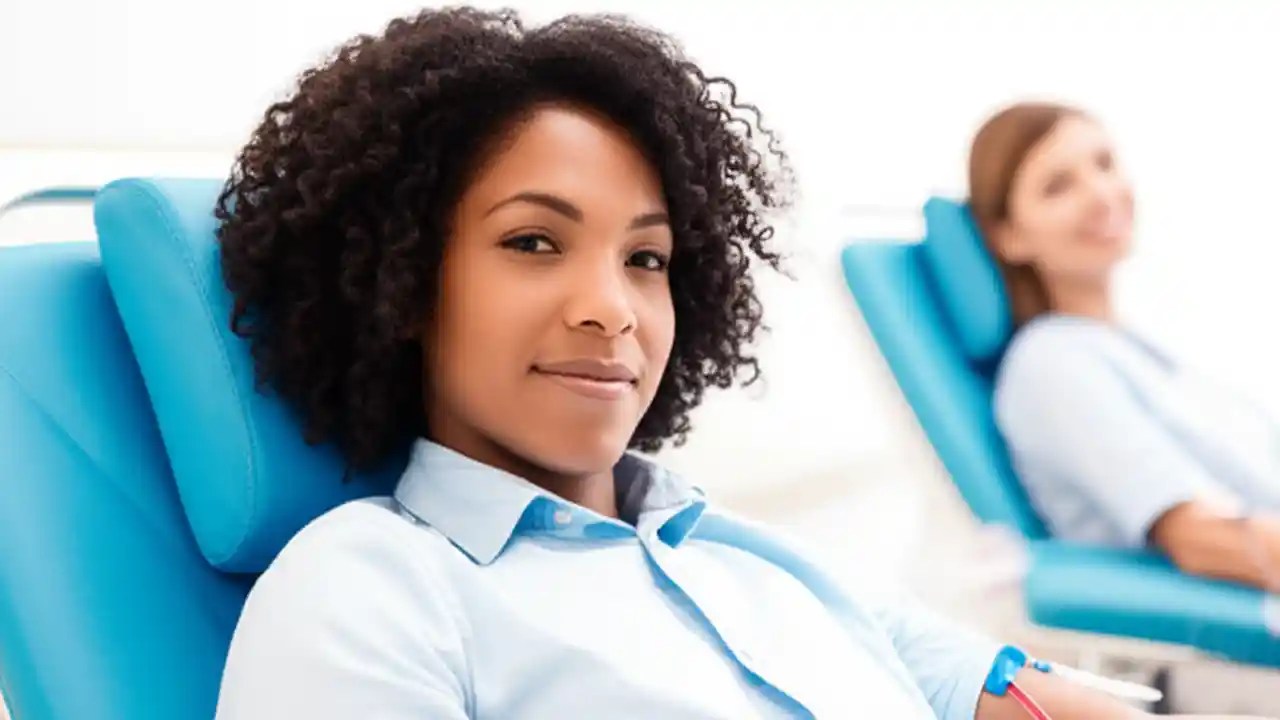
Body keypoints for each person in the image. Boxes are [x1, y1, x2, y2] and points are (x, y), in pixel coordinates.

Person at [211, 10, 1244, 718]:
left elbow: (994, 684)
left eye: (646, 258)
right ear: (398, 280)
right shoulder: (368, 586)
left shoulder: (741, 559)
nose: (608, 309)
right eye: (533, 242)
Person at [976, 102, 1280, 591]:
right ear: (1008, 236)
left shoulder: (1136, 347)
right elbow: (1201, 537)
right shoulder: (1052, 365)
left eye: (1104, 163)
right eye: (1058, 186)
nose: (1100, 193)